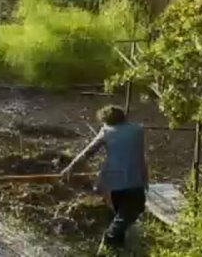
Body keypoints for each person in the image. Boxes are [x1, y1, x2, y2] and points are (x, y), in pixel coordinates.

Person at [60, 105, 149, 253]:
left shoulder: (106, 132)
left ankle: (111, 241)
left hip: (112, 181)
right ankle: (113, 244)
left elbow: (87, 153)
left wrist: (70, 168)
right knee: (131, 209)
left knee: (122, 212)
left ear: (106, 121)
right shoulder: (138, 130)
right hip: (135, 179)